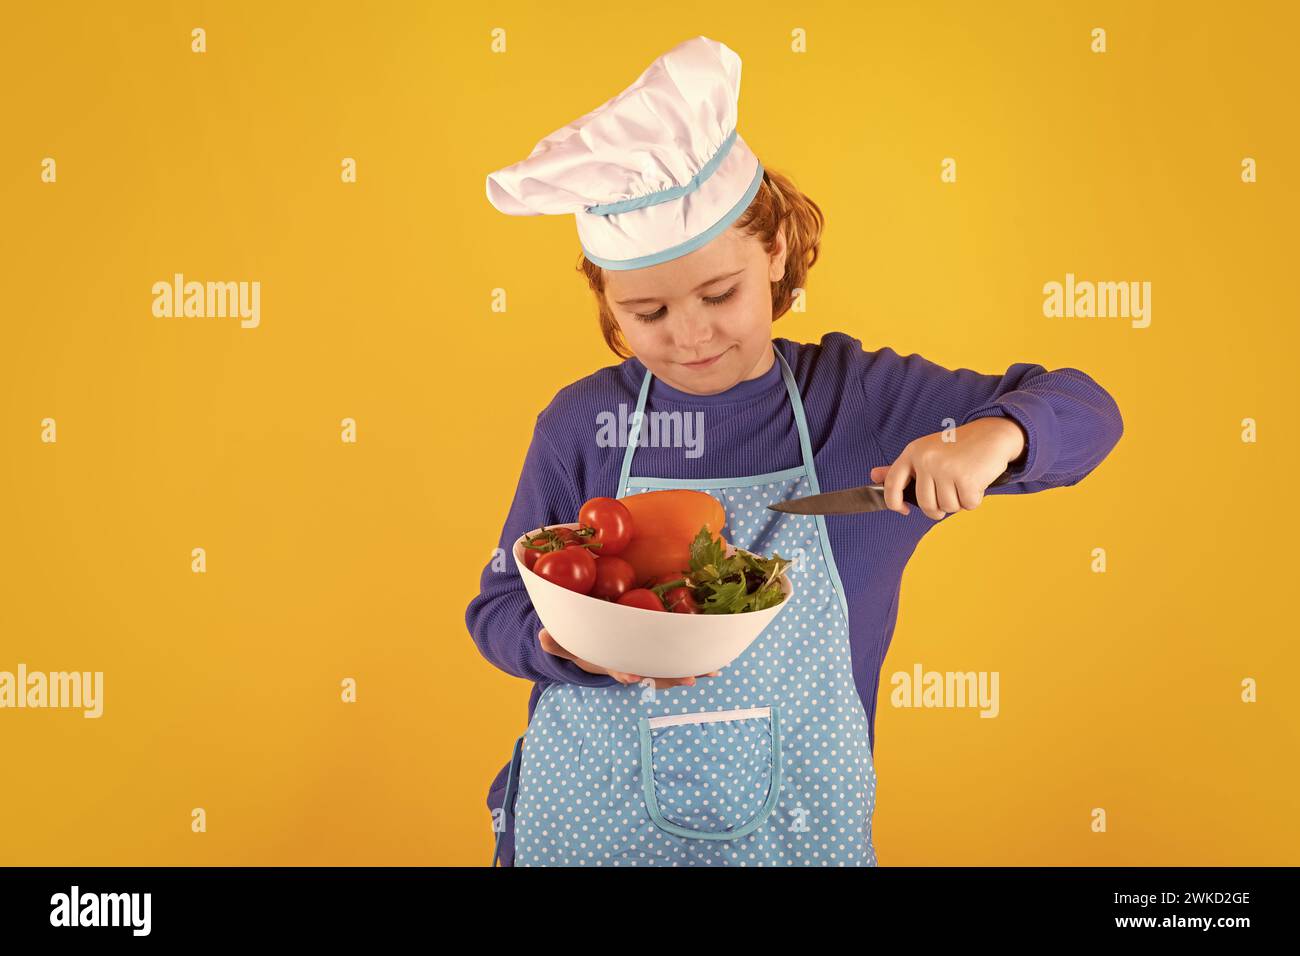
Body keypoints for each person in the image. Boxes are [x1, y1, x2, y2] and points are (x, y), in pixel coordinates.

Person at [467, 35, 1123, 866]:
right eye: (649, 313)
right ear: (607, 299)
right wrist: (560, 644)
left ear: (774, 252)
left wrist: (999, 436)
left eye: (719, 293)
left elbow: (1088, 408)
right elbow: (496, 608)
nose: (692, 334)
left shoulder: (861, 403)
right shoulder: (580, 423)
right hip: (584, 830)